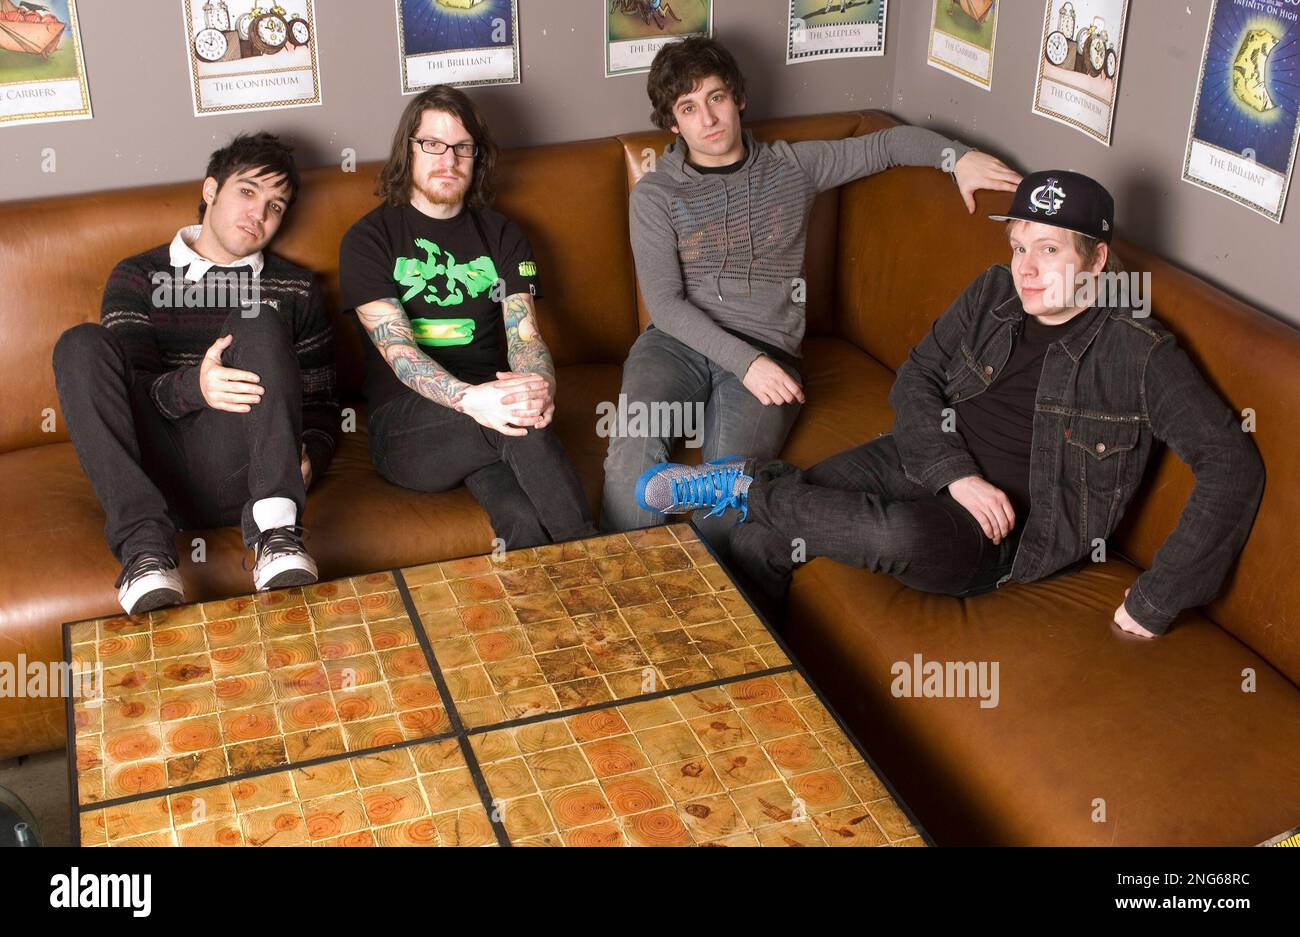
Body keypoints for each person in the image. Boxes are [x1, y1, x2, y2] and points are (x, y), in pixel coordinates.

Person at [635, 171, 1265, 638]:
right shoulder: (993, 293)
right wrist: (954, 474)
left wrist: (1158, 599)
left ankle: (747, 485)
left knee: (898, 533)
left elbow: (1230, 463)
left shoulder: (1139, 352)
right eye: (1020, 246)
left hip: (998, 532)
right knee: (763, 539)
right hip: (922, 458)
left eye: (1050, 251)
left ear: (1097, 259)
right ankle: (733, 664)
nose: (1027, 269)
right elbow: (915, 379)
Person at [599, 36, 1021, 536]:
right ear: (673, 124)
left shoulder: (793, 166)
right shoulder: (657, 193)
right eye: (688, 108)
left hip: (769, 347)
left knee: (728, 496)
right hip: (677, 344)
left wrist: (958, 158)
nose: (708, 120)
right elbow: (665, 305)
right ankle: (620, 589)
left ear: (738, 98)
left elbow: (884, 146)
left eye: (715, 98)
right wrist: (746, 364)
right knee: (633, 454)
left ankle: (702, 605)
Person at [53, 132, 339, 614]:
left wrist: (310, 454)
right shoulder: (138, 276)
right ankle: (146, 555)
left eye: (276, 206)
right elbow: (130, 394)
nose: (259, 215)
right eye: (247, 192)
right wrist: (197, 387)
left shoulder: (294, 287)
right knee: (79, 344)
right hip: (150, 471)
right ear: (210, 191)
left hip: (249, 471)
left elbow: (324, 407)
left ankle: (276, 533)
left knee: (257, 316)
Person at [340, 85, 598, 550]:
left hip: (495, 413)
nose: (449, 159)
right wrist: (473, 400)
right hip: (408, 427)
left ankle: (544, 612)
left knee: (521, 517)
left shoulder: (502, 234)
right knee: (513, 420)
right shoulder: (369, 239)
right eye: (433, 144)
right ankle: (603, 558)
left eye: (462, 147)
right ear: (409, 150)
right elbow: (398, 353)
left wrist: (540, 388)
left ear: (477, 156)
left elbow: (526, 336)